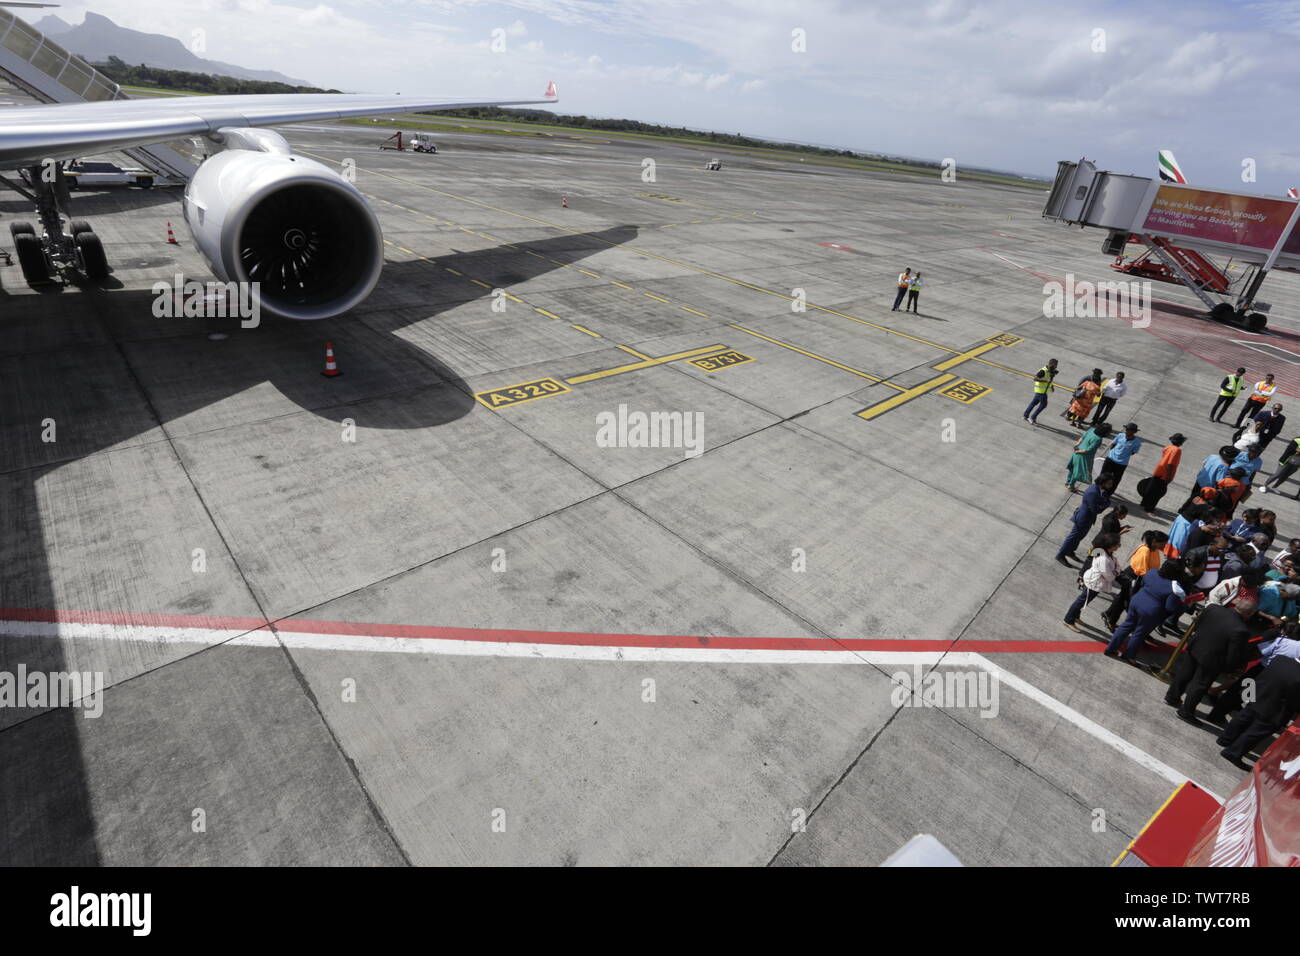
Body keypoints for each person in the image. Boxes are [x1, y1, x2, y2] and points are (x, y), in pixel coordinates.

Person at [1164, 600, 1257, 725]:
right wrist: (1229, 668)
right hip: (1212, 659)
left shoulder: (1213, 608)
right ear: (1249, 614)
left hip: (1196, 646)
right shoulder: (1241, 630)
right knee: (1200, 685)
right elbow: (1233, 654)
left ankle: (1172, 697)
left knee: (1184, 673)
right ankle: (1185, 711)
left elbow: (1198, 623)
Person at [1216, 655, 1300, 768]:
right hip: (1275, 708)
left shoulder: (1281, 659)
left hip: (1259, 695)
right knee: (1256, 732)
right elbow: (1295, 700)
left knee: (1243, 718)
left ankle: (1224, 739)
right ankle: (1233, 753)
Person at [1105, 558, 1191, 664]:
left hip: (1137, 601)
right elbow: (1170, 608)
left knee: (1126, 625)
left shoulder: (1152, 572)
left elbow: (1141, 584)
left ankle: (1111, 648)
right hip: (1151, 612)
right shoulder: (1175, 588)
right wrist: (1184, 606)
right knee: (1139, 633)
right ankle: (1128, 655)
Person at [1104, 530, 1167, 630]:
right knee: (1127, 601)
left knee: (1122, 598)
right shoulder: (1145, 550)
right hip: (1132, 577)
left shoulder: (1154, 550)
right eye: (1162, 544)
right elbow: (1143, 570)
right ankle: (1114, 619)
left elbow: (1154, 567)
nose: (1162, 547)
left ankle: (1109, 616)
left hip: (1140, 578)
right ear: (1154, 541)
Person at [1063, 532, 1121, 630]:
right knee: (1081, 601)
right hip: (1094, 583)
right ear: (1111, 546)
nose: (1119, 546)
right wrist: (1116, 571)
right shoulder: (1104, 559)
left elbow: (1117, 565)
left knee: (1084, 600)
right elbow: (1110, 577)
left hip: (1095, 582)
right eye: (1118, 544)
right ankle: (1068, 620)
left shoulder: (1107, 553)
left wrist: (1116, 570)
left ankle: (1075, 616)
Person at [1056, 474, 1116, 566]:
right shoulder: (1093, 492)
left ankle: (1070, 551)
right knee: (1073, 537)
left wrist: (1105, 501)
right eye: (1109, 483)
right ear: (1103, 482)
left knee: (1079, 537)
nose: (1111, 485)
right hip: (1083, 518)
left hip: (1088, 518)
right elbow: (1096, 509)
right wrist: (1106, 504)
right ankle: (1060, 555)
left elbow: (1102, 500)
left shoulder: (1099, 490)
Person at [1137, 433, 1185, 515]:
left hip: (1159, 469)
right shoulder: (1177, 450)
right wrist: (1168, 476)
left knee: (1151, 489)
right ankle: (1149, 508)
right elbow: (1170, 464)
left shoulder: (1167, 447)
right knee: (1158, 493)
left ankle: (1144, 503)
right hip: (1165, 474)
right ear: (1181, 442)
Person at [1065, 422, 1112, 492]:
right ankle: (1071, 486)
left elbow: (1082, 437)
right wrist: (1079, 452)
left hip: (1077, 451)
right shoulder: (1098, 439)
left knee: (1073, 468)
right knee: (1078, 471)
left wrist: (1077, 445)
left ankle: (1068, 482)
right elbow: (1089, 450)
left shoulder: (1091, 430)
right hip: (1084, 457)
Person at [1099, 422, 1142, 490]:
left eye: (1128, 429)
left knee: (1115, 480)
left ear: (1134, 432)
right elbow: (1113, 444)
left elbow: (1133, 452)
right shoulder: (1120, 435)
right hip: (1110, 459)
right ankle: (1098, 488)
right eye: (1126, 429)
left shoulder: (1137, 442)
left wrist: (1123, 455)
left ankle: (1108, 494)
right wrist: (1113, 453)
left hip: (1121, 464)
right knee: (1103, 476)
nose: (1126, 431)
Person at [1023, 358, 1058, 424]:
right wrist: (1046, 381)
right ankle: (1032, 417)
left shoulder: (1050, 371)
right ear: (1051, 364)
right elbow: (1035, 378)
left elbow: (1049, 379)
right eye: (1055, 365)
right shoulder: (1043, 371)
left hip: (1041, 391)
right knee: (1043, 405)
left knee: (1033, 403)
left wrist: (1052, 386)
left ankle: (1025, 415)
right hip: (1041, 392)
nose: (1056, 367)